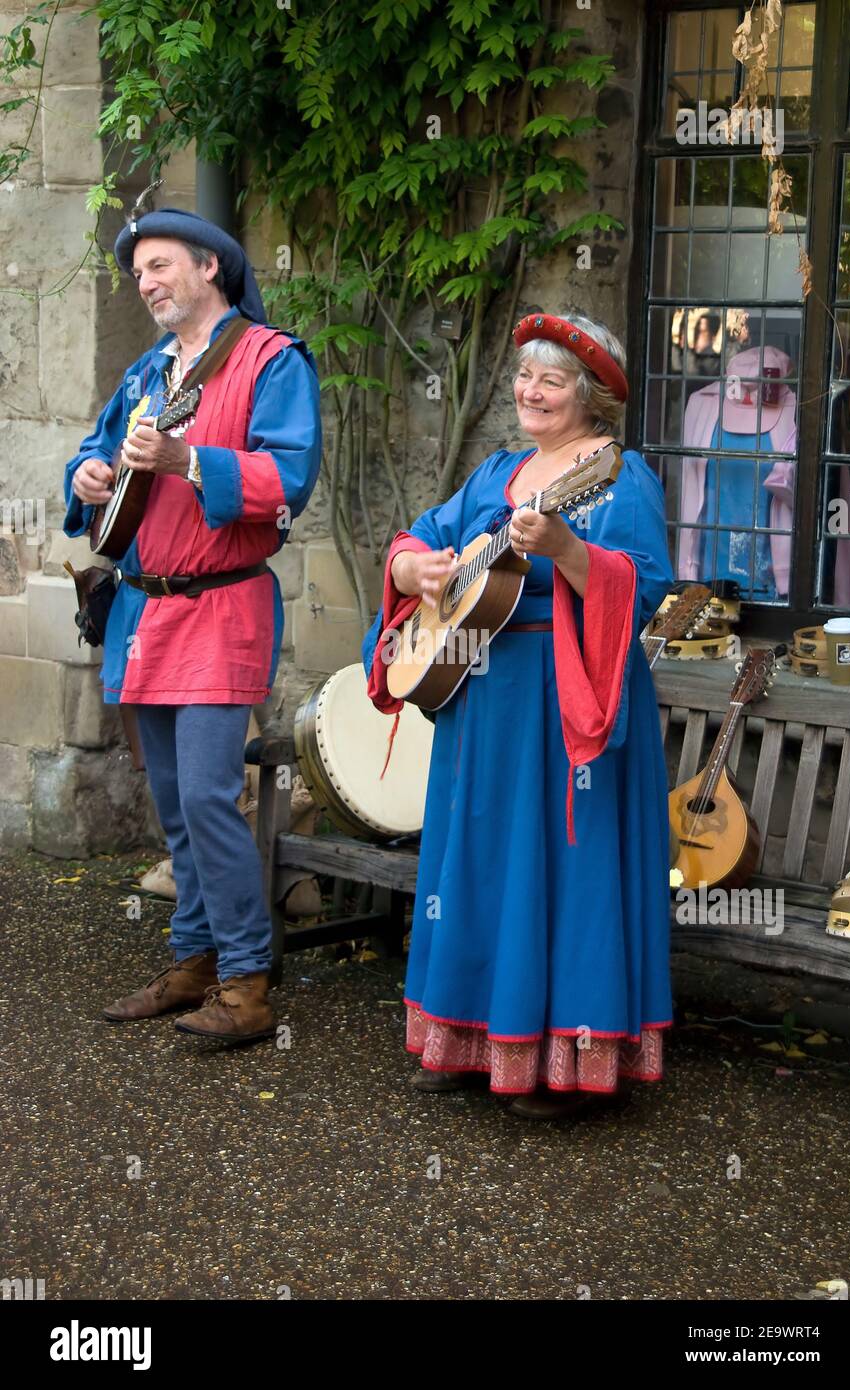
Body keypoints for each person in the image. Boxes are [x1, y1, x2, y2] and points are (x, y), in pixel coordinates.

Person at [364, 312, 674, 1119]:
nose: (530, 391)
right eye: (526, 376)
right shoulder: (496, 469)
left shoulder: (620, 477)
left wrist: (569, 550)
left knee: (566, 865)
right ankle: (468, 1038)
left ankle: (567, 1063)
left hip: (568, 697)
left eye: (553, 380)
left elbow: (644, 588)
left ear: (592, 396)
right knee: (481, 859)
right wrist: (413, 565)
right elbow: (422, 537)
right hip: (482, 694)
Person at [63, 207, 321, 1044]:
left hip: (221, 604)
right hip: (144, 607)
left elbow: (288, 478)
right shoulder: (147, 373)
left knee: (211, 798)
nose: (147, 283)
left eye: (161, 265)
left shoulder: (270, 360)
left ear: (211, 266)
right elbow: (86, 457)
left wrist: (191, 461)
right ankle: (193, 960)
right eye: (138, 273)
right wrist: (90, 474)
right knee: (174, 807)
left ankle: (246, 986)